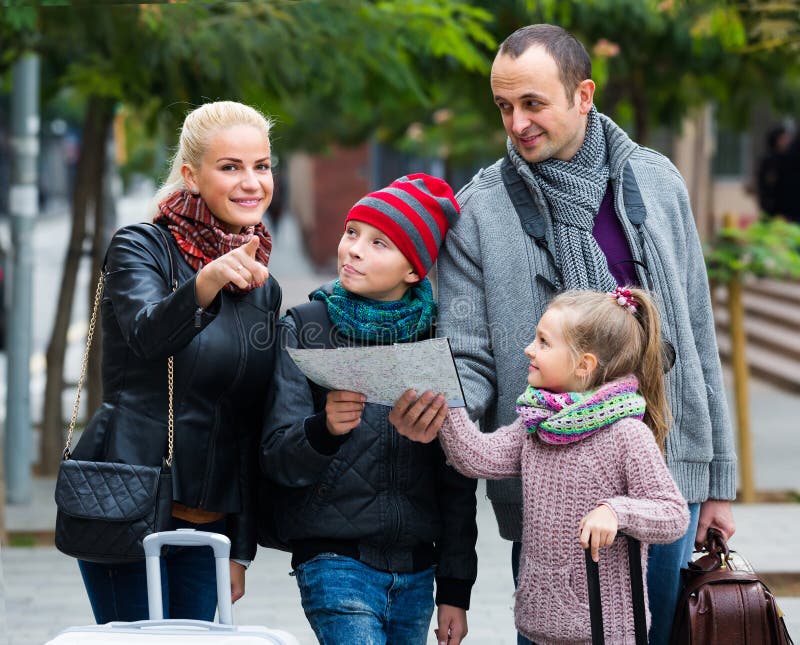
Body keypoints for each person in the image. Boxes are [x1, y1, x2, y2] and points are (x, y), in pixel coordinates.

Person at [412, 24, 736, 645]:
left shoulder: (658, 183)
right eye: (504, 107)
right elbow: (468, 353)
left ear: (583, 95)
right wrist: (441, 403)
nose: (517, 123)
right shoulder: (479, 209)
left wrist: (718, 483)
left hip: (665, 472)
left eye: (533, 104)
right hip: (548, 490)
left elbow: (695, 332)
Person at [71, 101, 282, 622]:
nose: (251, 182)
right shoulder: (141, 247)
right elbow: (147, 335)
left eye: (261, 166)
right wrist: (207, 280)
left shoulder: (263, 285)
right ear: (190, 175)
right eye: (230, 167)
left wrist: (240, 546)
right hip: (128, 505)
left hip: (209, 524)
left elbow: (247, 422)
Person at [260, 174, 478, 645]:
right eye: (352, 232)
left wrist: (455, 589)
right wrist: (323, 431)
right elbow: (275, 455)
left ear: (414, 270)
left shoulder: (435, 338)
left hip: (418, 569)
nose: (354, 249)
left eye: (380, 243)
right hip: (334, 560)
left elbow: (457, 479)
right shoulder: (306, 326)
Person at [410, 287, 690, 644]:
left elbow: (672, 513)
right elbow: (475, 455)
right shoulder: (538, 426)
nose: (529, 349)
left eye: (544, 342)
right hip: (542, 626)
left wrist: (616, 512)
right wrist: (445, 396)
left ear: (583, 364)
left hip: (606, 632)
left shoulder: (626, 434)